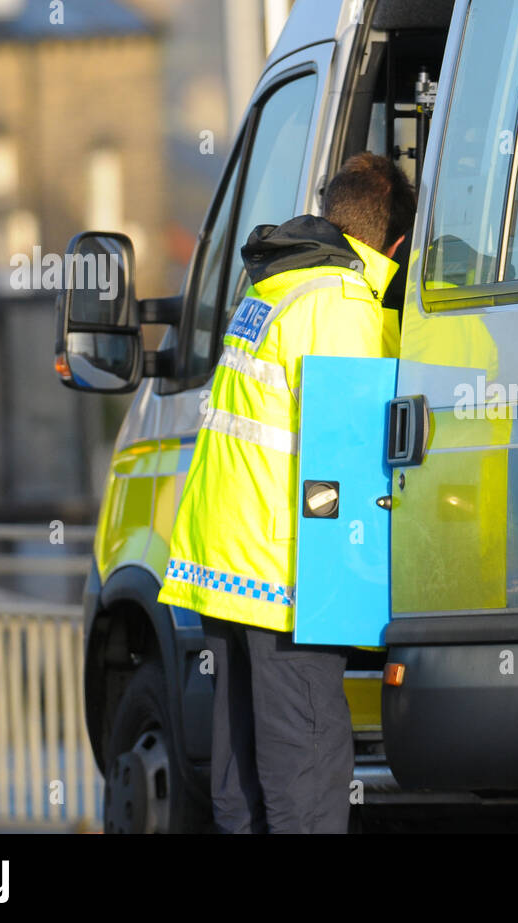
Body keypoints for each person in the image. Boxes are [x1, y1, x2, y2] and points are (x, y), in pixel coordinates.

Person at [157, 152, 416, 833]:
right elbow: (361, 443)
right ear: (391, 245)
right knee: (304, 770)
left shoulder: (273, 287)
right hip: (289, 567)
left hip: (226, 561)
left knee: (241, 776)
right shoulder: (340, 305)